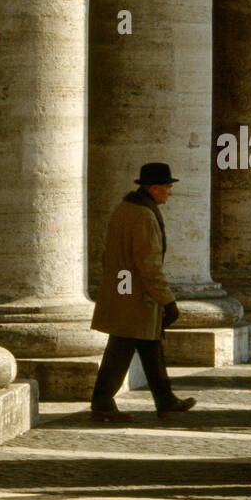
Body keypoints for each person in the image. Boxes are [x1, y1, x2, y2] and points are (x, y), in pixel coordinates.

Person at [89, 162, 196, 422]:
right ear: (154, 188)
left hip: (125, 293)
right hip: (138, 297)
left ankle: (163, 400)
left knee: (139, 348)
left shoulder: (124, 209)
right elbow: (149, 265)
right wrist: (168, 300)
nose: (170, 192)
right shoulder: (144, 216)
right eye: (168, 187)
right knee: (131, 348)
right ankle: (106, 403)